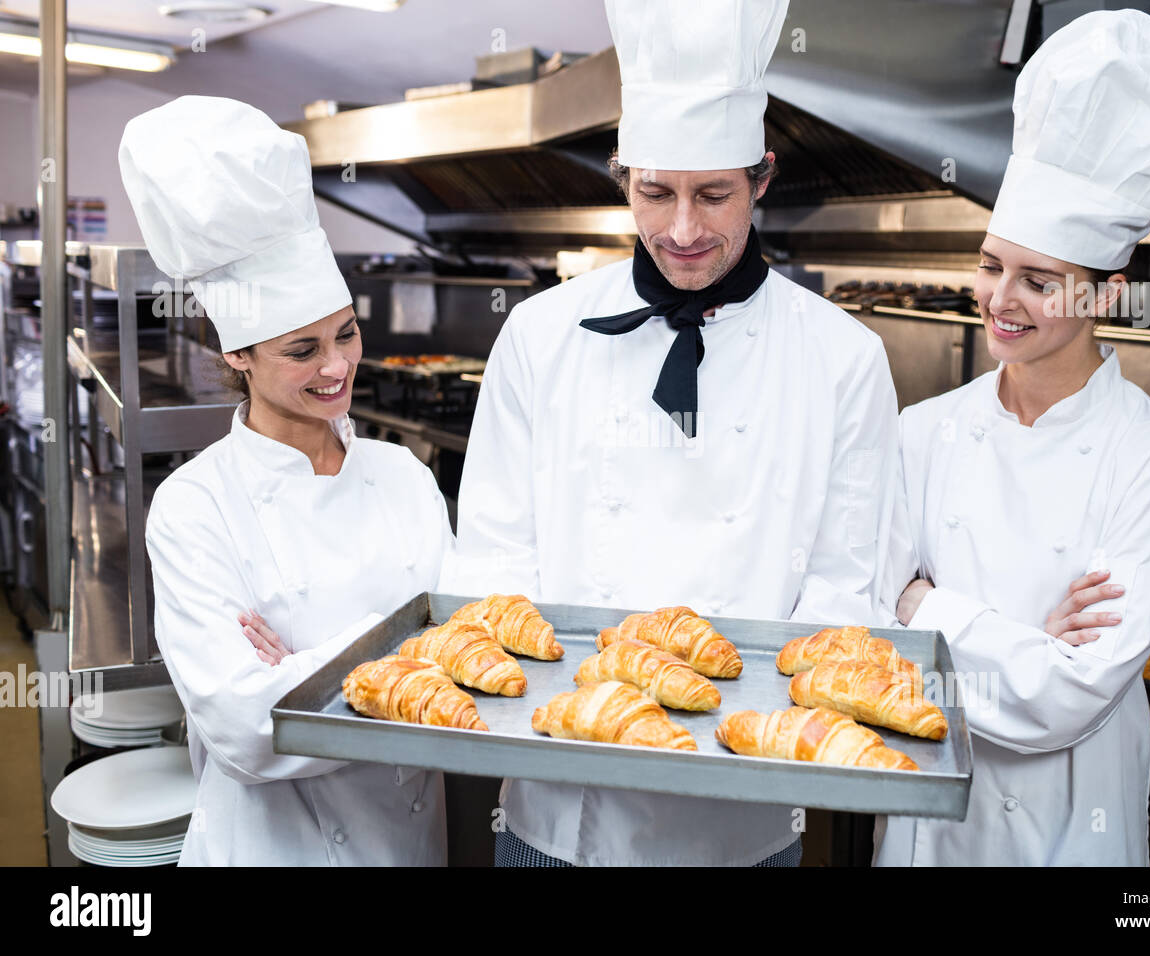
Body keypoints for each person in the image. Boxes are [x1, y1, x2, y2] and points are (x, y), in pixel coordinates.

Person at [447, 0, 907, 866]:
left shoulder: (846, 360)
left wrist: (729, 727)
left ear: (764, 178)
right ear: (621, 176)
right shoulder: (540, 337)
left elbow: (846, 598)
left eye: (715, 194)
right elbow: (494, 565)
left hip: (741, 818)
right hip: (557, 805)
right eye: (655, 192)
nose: (685, 230)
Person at [874, 10, 1150, 866]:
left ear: (1104, 294)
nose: (1001, 301)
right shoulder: (923, 432)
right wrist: (1026, 637)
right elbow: (871, 630)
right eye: (992, 266)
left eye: (1039, 280)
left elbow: (1073, 694)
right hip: (930, 820)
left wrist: (931, 608)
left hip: (1073, 831)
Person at [121, 96, 456, 866]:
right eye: (302, 351)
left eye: (346, 333)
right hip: (273, 849)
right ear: (239, 354)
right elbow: (245, 731)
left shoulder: (403, 476)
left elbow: (465, 648)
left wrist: (302, 669)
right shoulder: (195, 507)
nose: (337, 366)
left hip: (408, 841)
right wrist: (407, 655)